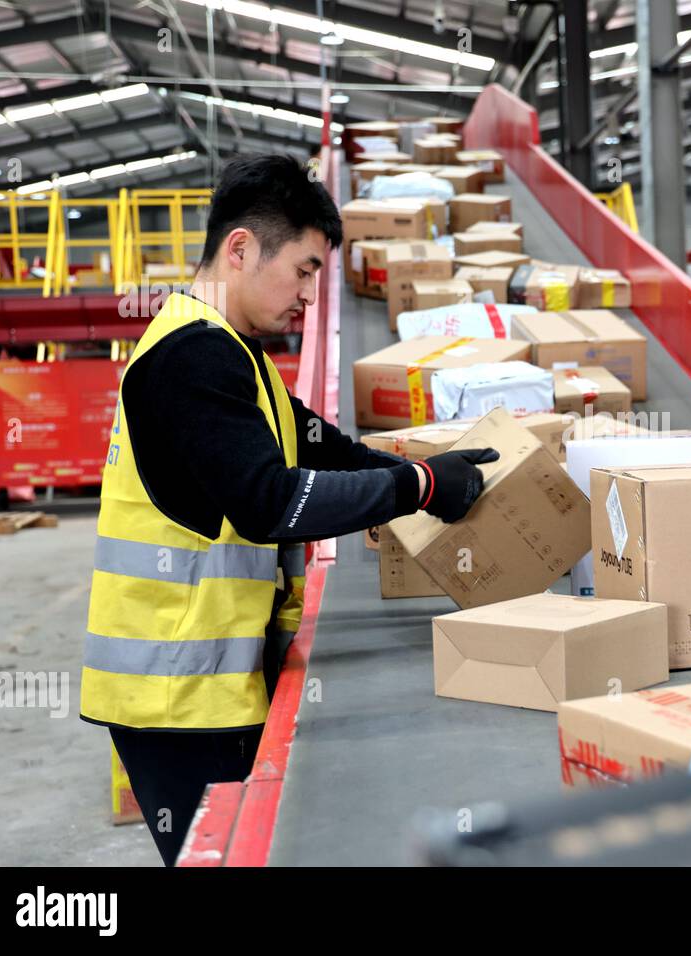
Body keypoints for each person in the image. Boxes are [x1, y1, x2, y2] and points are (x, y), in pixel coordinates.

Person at [79, 155, 499, 866]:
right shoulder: (191, 360)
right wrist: (421, 488)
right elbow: (271, 503)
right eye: (304, 270)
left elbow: (316, 445)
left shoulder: (231, 354)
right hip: (178, 700)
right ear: (240, 249)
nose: (311, 293)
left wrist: (414, 468)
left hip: (206, 684)